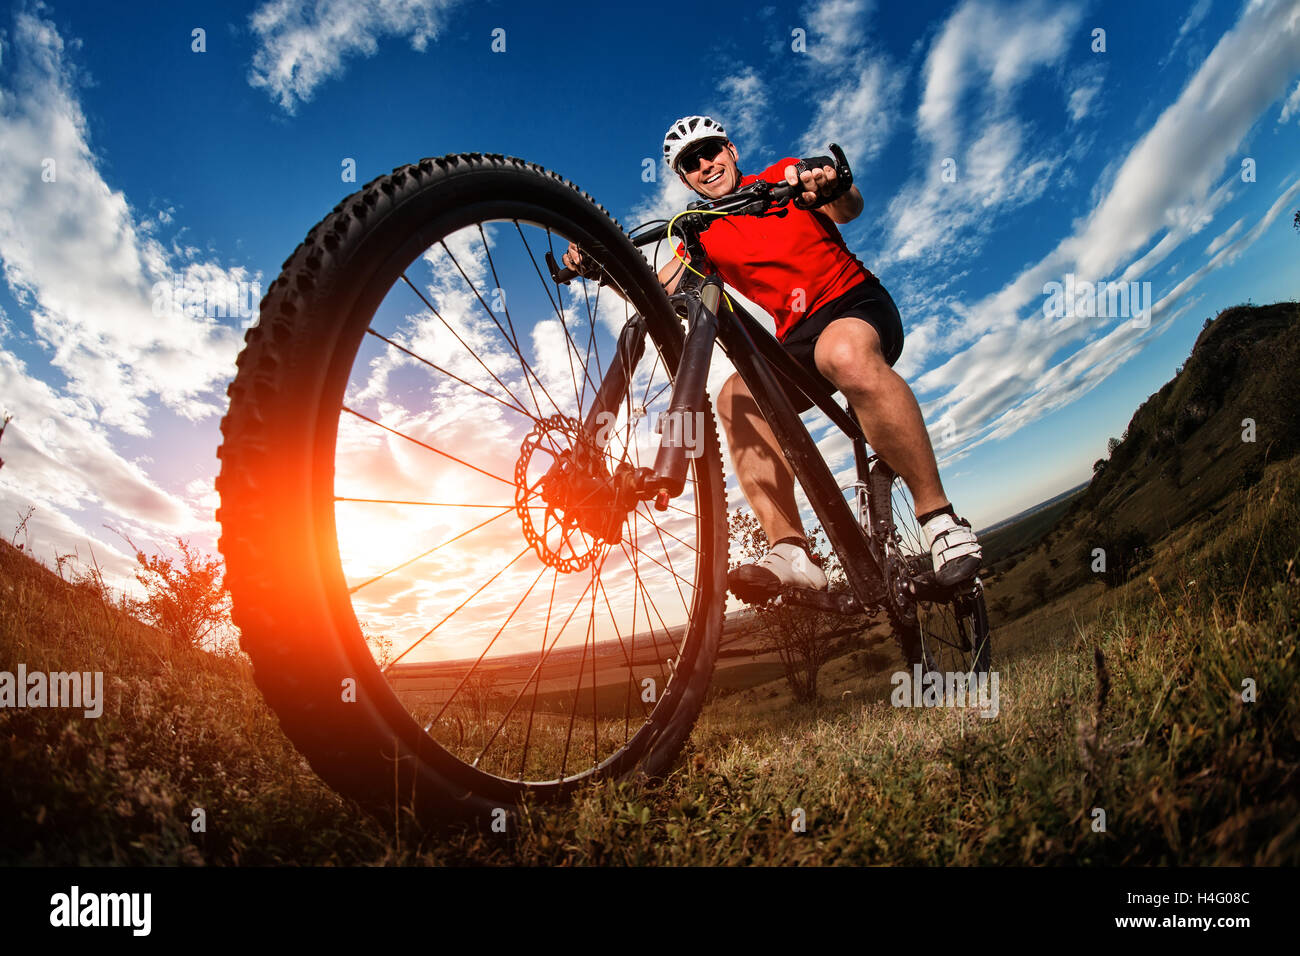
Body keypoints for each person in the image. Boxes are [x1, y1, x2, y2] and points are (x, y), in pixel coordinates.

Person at [563, 115, 981, 601]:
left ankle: (939, 519)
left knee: (842, 353)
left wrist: (829, 181)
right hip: (797, 342)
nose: (705, 165)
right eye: (690, 163)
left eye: (711, 151)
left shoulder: (780, 178)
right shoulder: (701, 235)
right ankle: (791, 550)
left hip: (854, 303)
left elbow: (848, 207)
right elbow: (656, 295)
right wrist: (601, 267)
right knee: (734, 395)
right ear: (683, 178)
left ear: (732, 151)